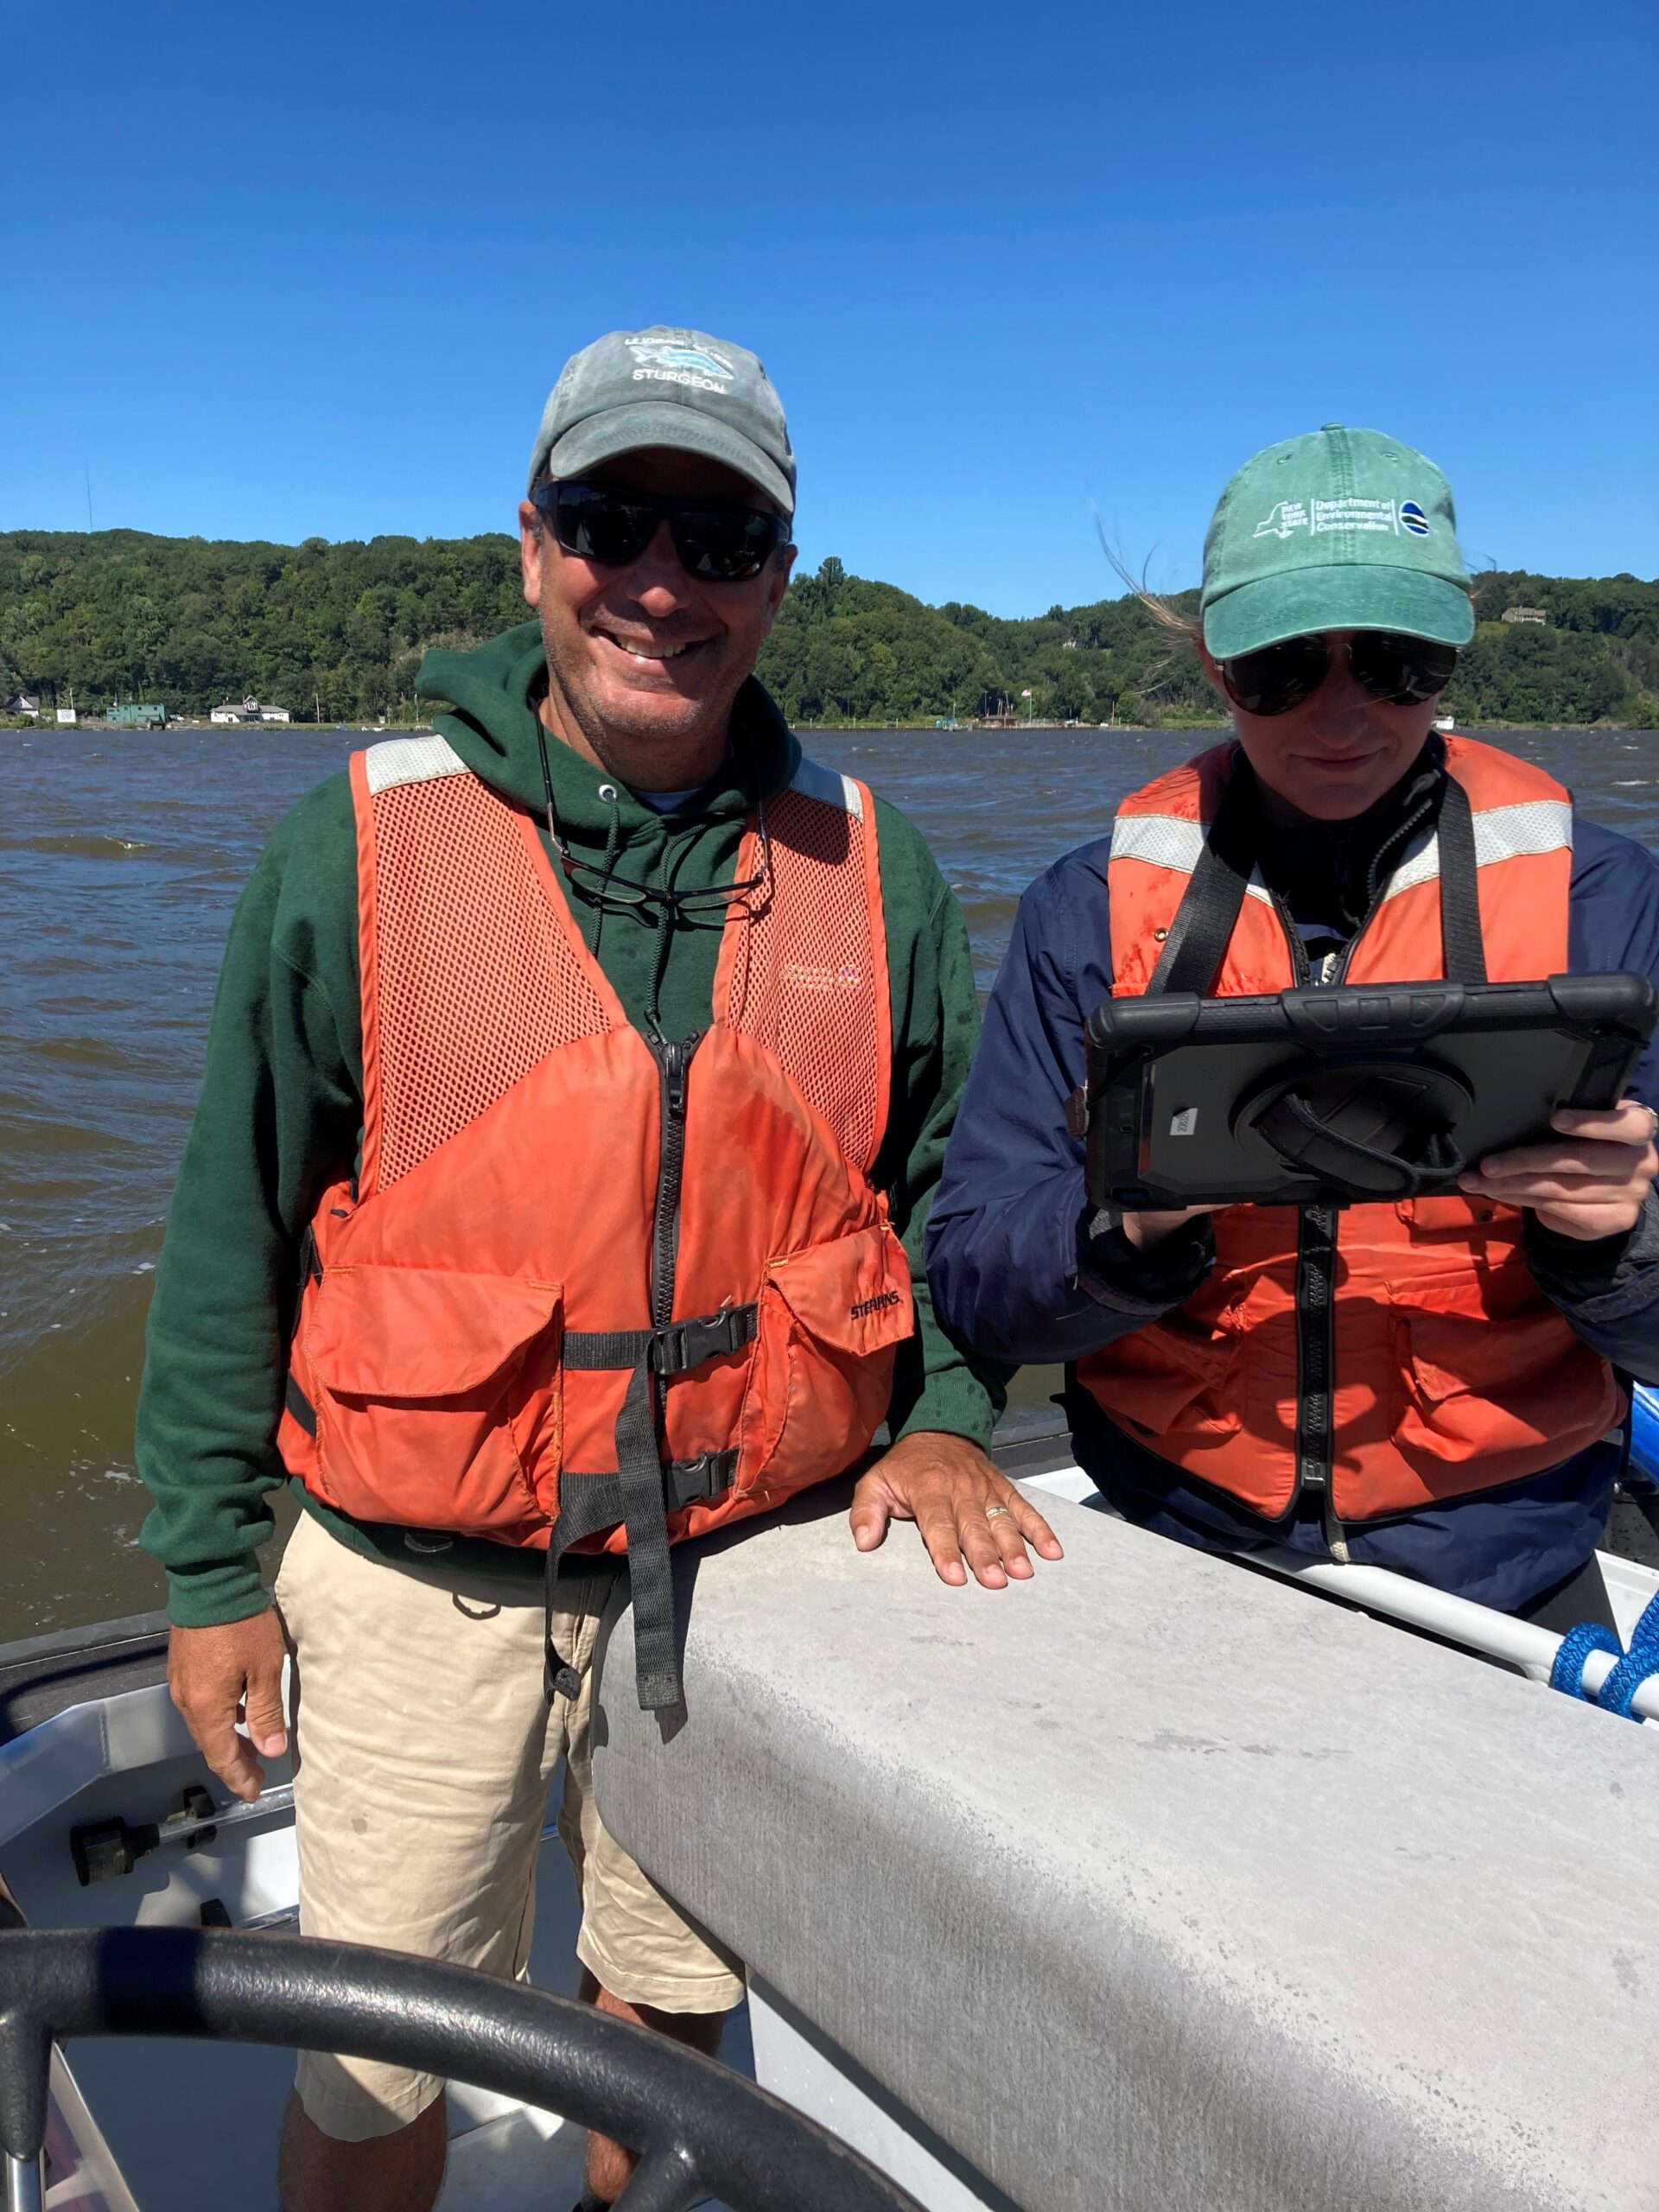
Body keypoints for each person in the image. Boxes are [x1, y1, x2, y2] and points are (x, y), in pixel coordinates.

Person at [137, 324, 1059, 2212]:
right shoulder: (354, 847)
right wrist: (212, 1570)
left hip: (747, 1566)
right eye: (612, 519)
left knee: (666, 2001)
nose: (660, 580)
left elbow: (956, 1191)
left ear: (785, 578)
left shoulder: (875, 873)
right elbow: (231, 1216)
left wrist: (948, 1415)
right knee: (380, 2054)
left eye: (721, 541)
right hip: (412, 1588)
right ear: (533, 541)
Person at [927, 423, 1659, 1625]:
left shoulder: (1608, 899)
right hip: (1179, 1543)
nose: (1340, 718)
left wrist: (1611, 1243)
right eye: (1281, 670)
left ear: (1454, 651)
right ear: (1217, 668)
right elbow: (978, 1286)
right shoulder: (1084, 912)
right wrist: (1130, 1223)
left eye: (1394, 662)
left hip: (1509, 1555)